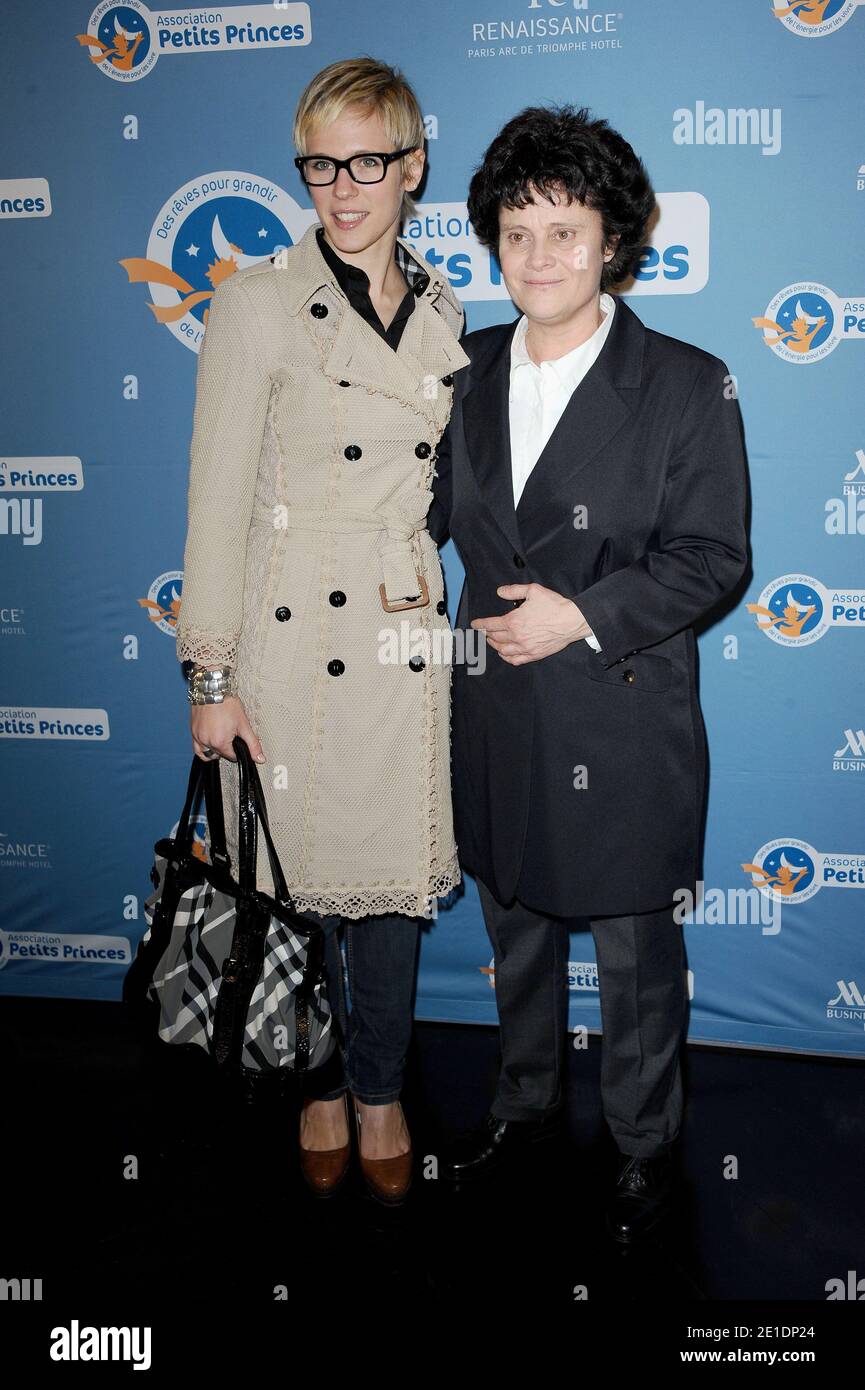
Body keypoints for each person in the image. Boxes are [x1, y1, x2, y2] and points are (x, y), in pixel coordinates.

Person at [428, 104, 749, 1241]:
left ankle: (643, 1148)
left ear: (612, 238)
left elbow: (714, 556)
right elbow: (413, 518)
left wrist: (582, 614)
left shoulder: (683, 381)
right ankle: (519, 1113)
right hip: (495, 706)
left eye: (564, 231)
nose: (539, 257)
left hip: (619, 714)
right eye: (516, 232)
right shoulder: (454, 370)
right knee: (512, 930)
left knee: (633, 956)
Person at [175, 57, 469, 1206]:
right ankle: (319, 1080)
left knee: (390, 888)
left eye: (366, 163)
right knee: (296, 884)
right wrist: (211, 668)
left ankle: (384, 1087)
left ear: (410, 168)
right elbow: (214, 502)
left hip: (400, 630)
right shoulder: (252, 303)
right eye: (318, 164)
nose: (341, 189)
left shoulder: (444, 310)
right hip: (288, 635)